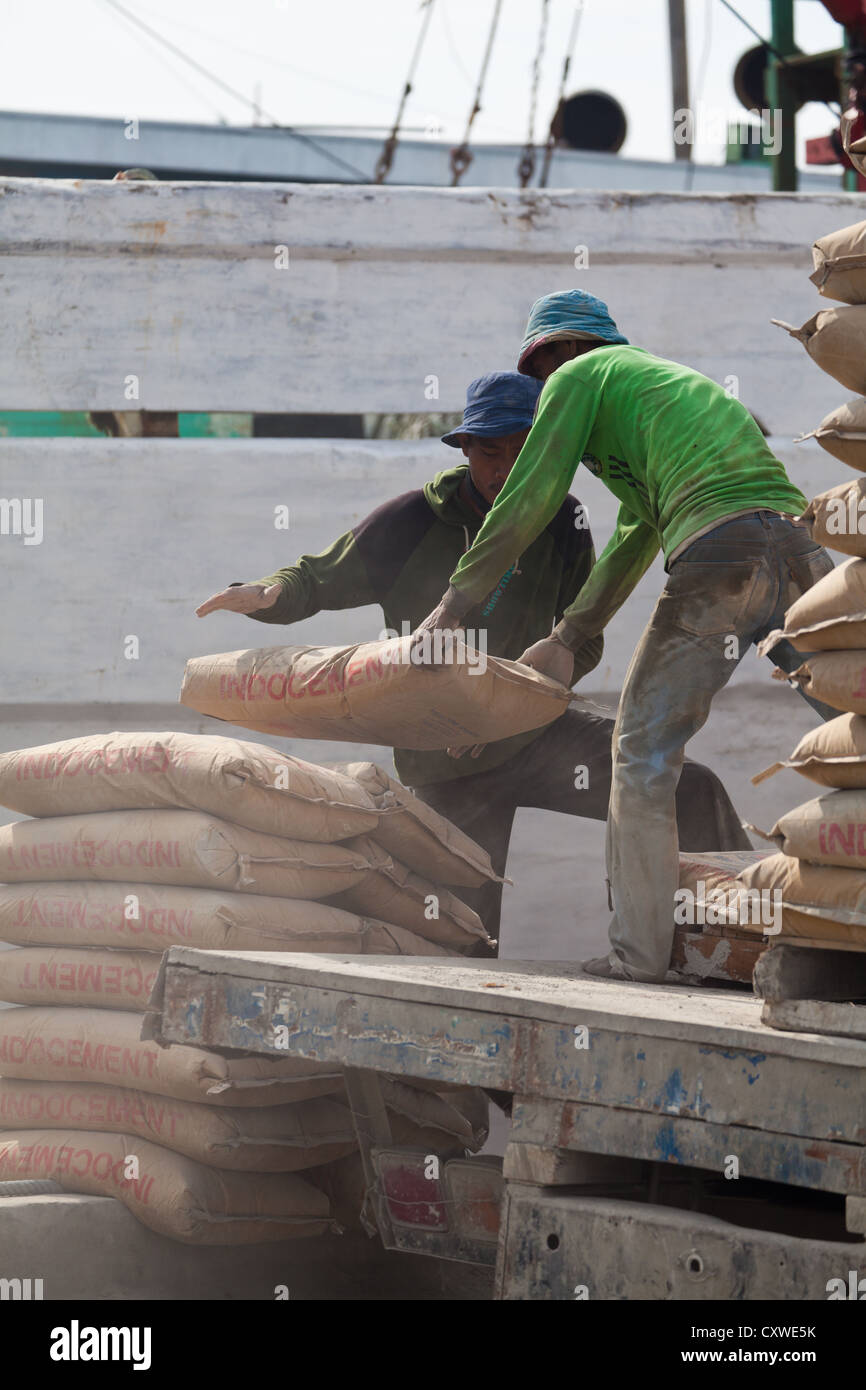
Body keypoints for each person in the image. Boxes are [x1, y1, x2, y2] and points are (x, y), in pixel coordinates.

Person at [195, 369, 750, 950]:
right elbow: (316, 579)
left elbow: (580, 636)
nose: (507, 469)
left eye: (525, 451)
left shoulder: (565, 521)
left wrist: (514, 700)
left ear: (550, 451)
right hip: (445, 759)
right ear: (464, 447)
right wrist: (265, 594)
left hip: (537, 734)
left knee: (690, 789)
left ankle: (725, 943)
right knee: (465, 934)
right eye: (489, 451)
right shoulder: (411, 521)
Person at [415, 290, 837, 982]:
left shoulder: (579, 378)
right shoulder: (662, 397)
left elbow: (531, 494)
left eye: (542, 376)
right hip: (796, 547)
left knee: (641, 755)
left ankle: (637, 954)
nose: (546, 395)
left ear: (561, 354)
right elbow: (637, 536)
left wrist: (453, 606)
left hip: (722, 553)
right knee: (850, 724)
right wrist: (567, 635)